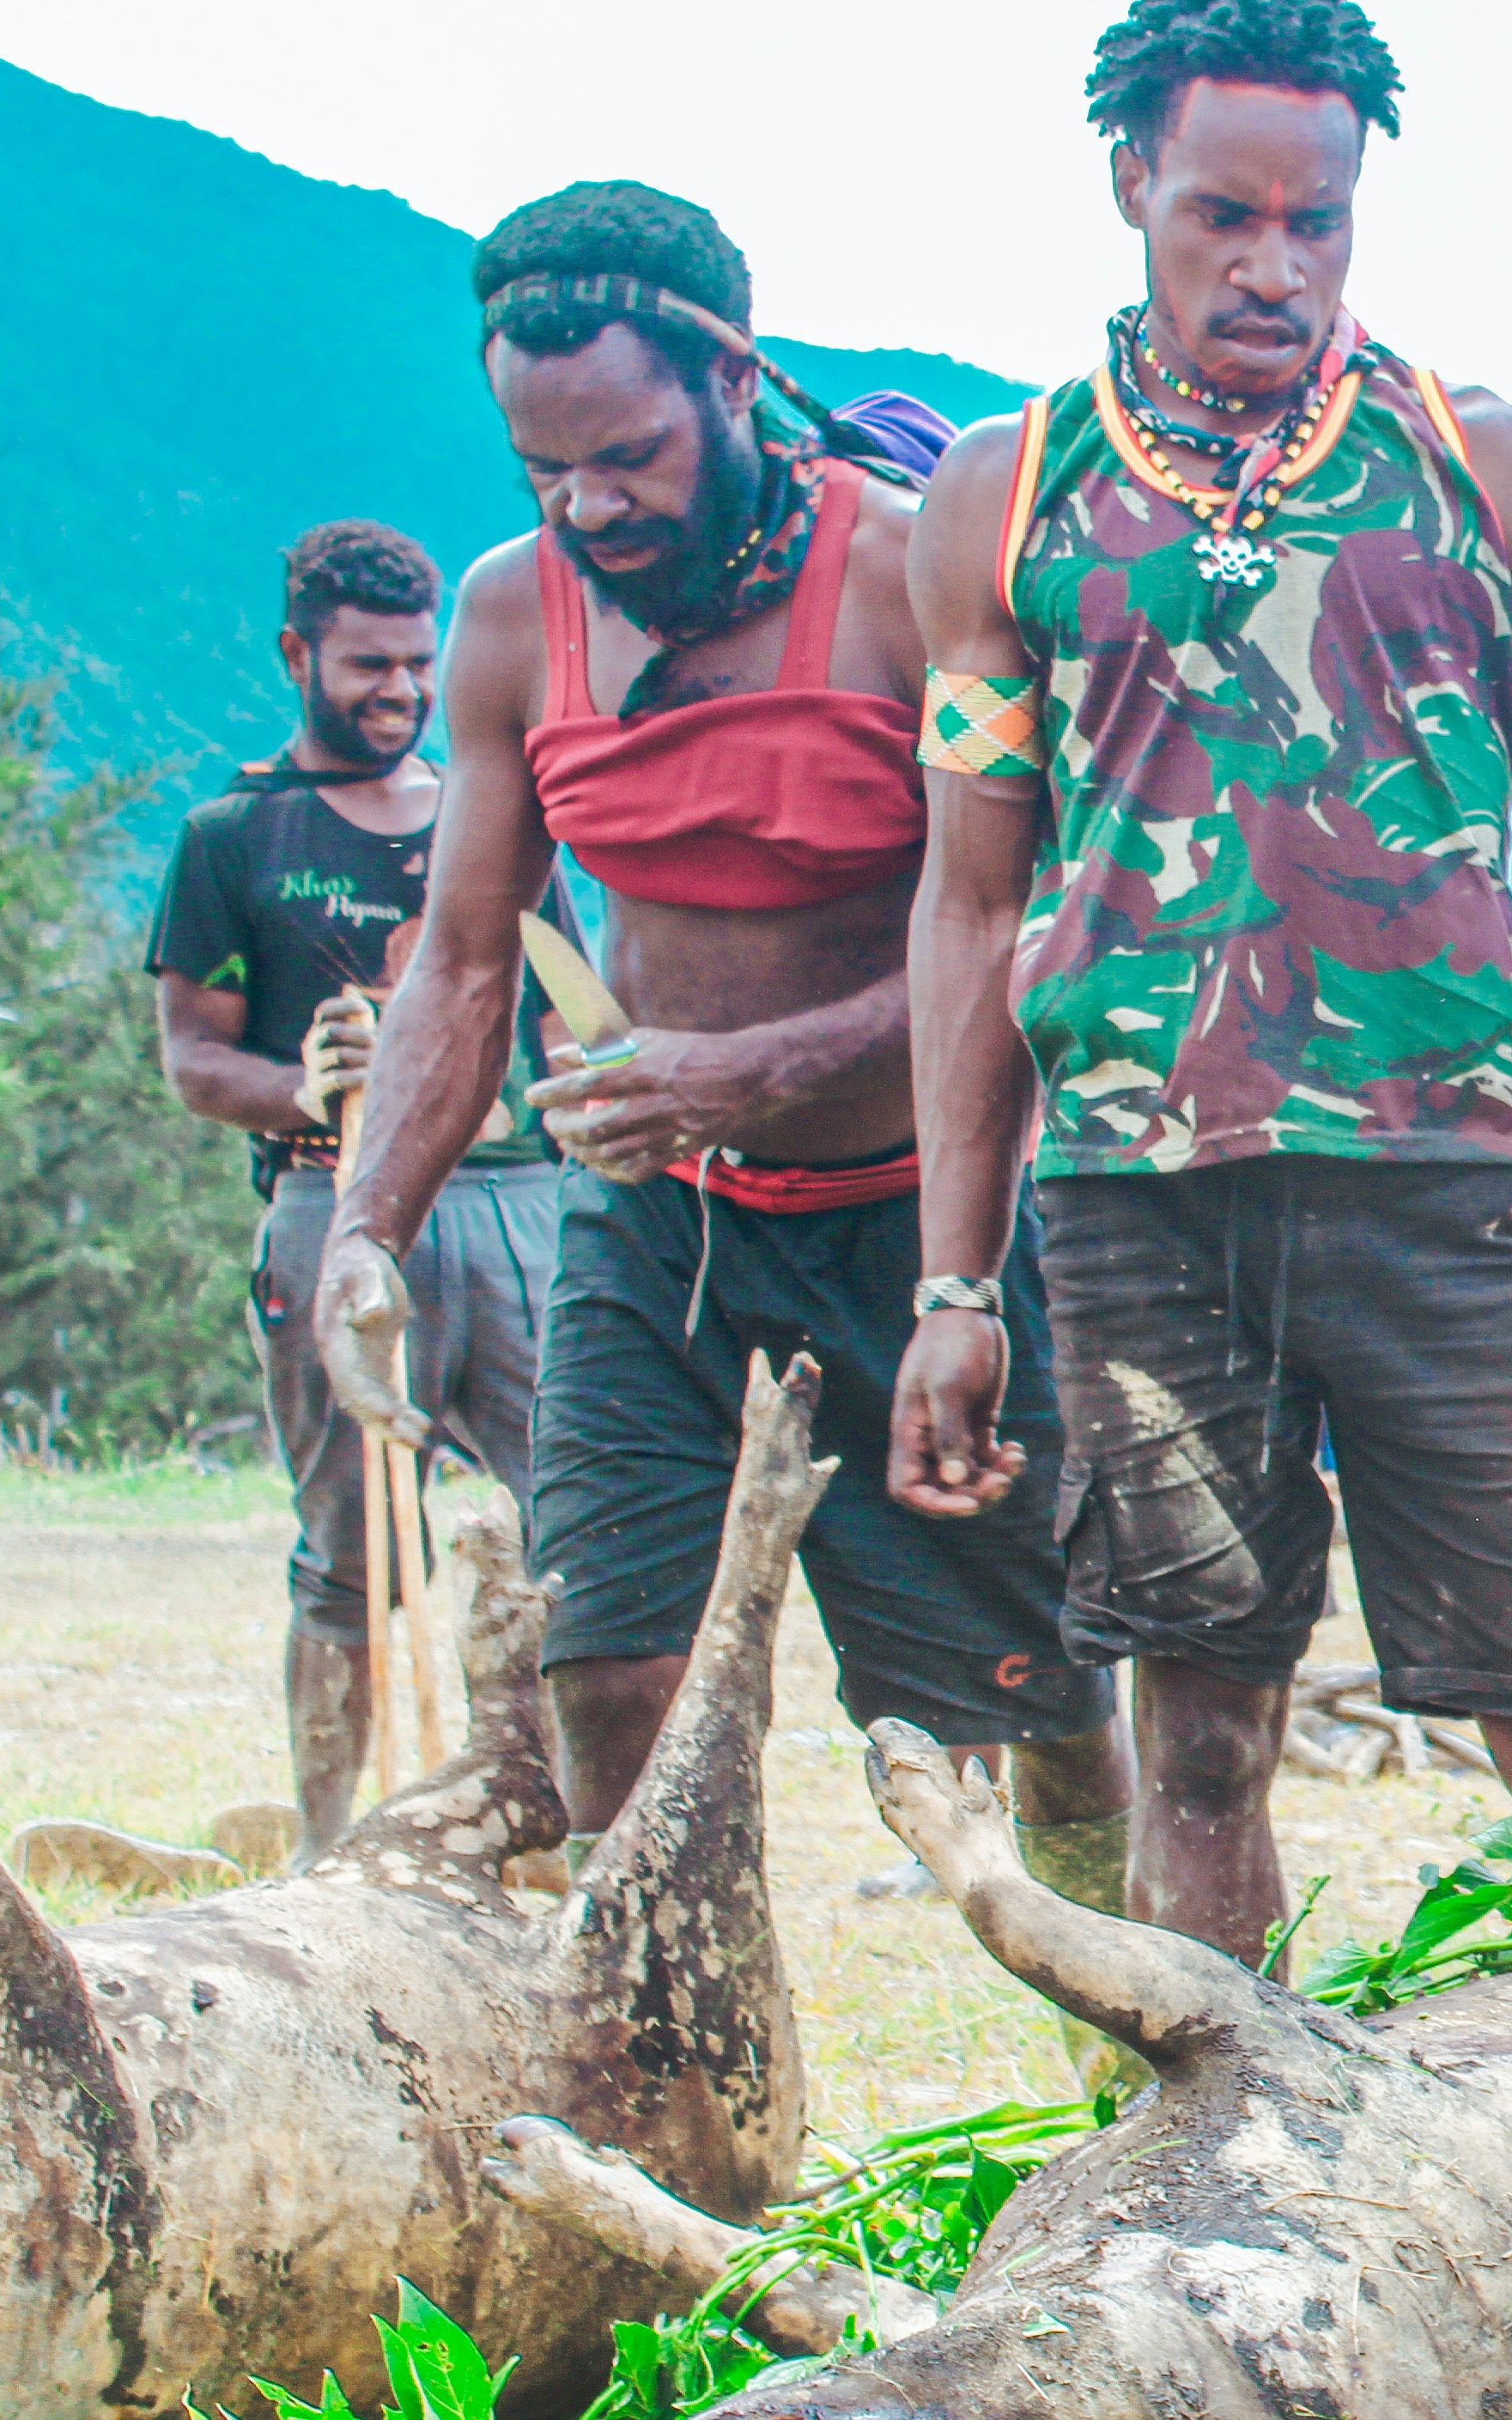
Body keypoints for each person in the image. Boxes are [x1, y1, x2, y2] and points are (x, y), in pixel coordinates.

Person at [895, 0, 1512, 1967]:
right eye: (1225, 216)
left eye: (1318, 222)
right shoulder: (1003, 500)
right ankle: (1227, 2115)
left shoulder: (1480, 464)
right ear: (1132, 181)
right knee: (1197, 1739)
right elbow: (970, 904)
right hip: (1137, 1204)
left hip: (1445, 1182)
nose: (1273, 268)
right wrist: (953, 1283)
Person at [319, 183, 1131, 1903]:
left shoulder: (910, 577)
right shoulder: (512, 618)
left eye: (627, 456)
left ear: (738, 380)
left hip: (931, 1221)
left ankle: (1126, 2010)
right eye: (543, 469)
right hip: (657, 1236)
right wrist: (367, 1229)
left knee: (1035, 1688)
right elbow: (463, 959)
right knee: (609, 1671)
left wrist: (757, 1069)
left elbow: (1041, 919)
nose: (587, 505)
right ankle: (666, 2028)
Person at [148, 521, 567, 1861]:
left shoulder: (491, 813)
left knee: (572, 1518)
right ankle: (329, 1854)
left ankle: (561, 1832)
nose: (401, 690)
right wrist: (299, 1082)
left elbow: (566, 1012)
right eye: (368, 665)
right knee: (347, 1549)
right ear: (298, 654)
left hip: (521, 1204)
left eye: (418, 665)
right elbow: (191, 1058)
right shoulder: (233, 836)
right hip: (331, 1204)